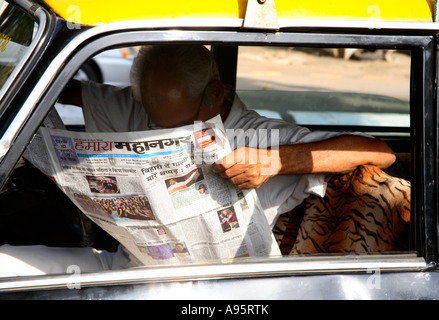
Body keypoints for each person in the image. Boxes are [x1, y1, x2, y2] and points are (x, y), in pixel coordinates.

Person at [0, 45, 395, 277]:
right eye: (152, 117)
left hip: (212, 289)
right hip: (125, 267)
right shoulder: (140, 103)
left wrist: (276, 161)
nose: (156, 125)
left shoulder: (261, 135)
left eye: (178, 122)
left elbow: (381, 152)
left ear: (215, 93)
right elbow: (67, 89)